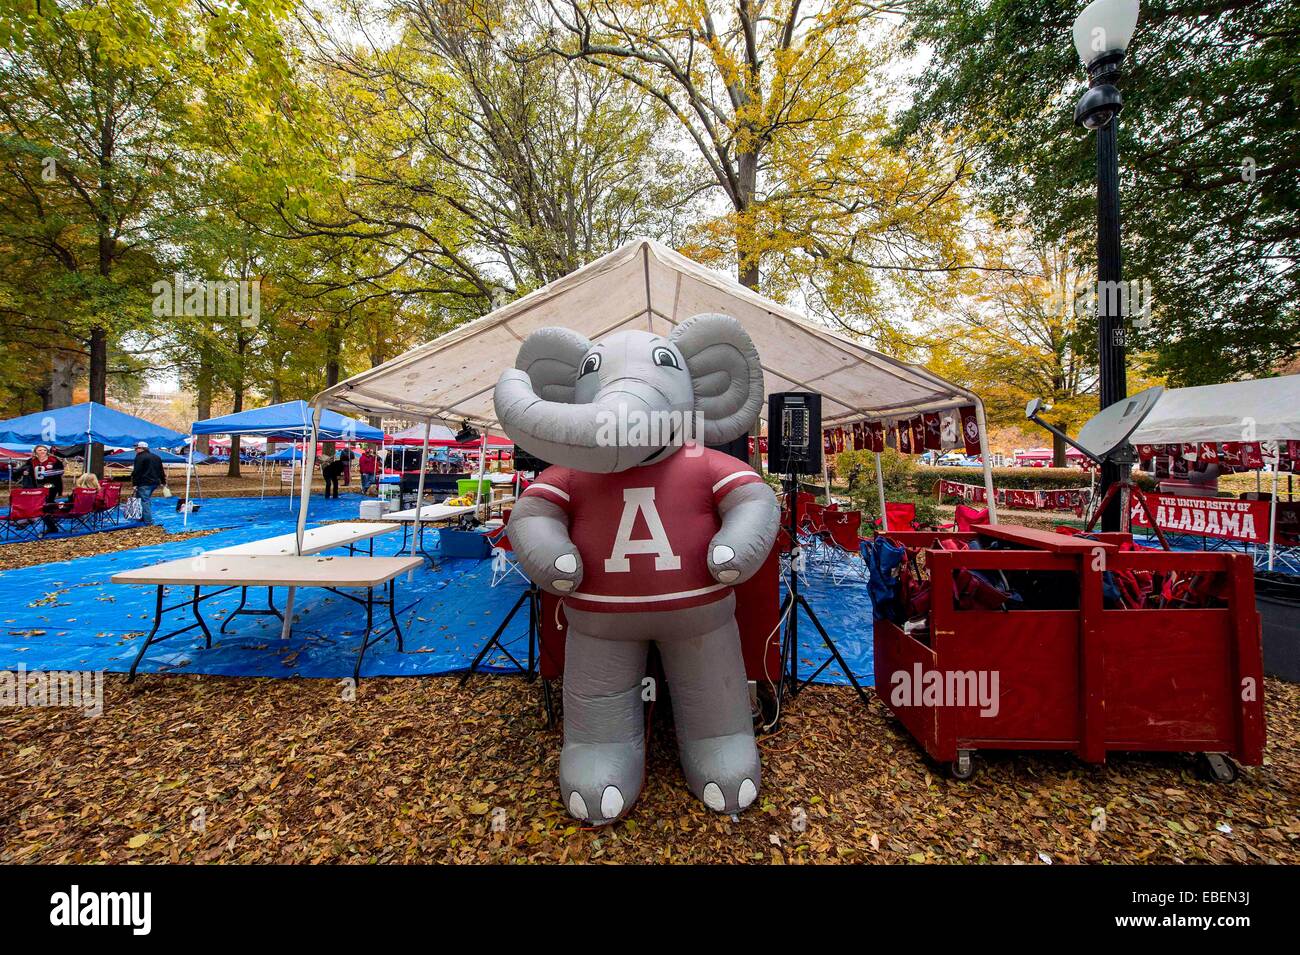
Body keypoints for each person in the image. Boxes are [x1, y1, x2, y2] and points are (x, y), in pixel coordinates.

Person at [15, 445, 65, 532]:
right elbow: (24, 469)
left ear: (47, 451)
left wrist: (50, 473)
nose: (42, 451)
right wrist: (25, 473)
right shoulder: (32, 461)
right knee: (38, 503)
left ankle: (51, 522)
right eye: (40, 450)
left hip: (52, 484)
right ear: (36, 452)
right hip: (37, 485)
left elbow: (61, 471)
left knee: (48, 501)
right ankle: (33, 518)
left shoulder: (54, 460)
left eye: (44, 450)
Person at [131, 441, 167, 525]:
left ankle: (148, 521)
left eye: (136, 448)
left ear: (141, 448)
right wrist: (163, 481)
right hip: (154, 483)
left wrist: (135, 483)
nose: (135, 450)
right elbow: (161, 470)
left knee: (144, 501)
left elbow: (137, 471)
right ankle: (142, 517)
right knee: (143, 499)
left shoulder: (139, 457)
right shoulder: (156, 457)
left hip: (144, 483)